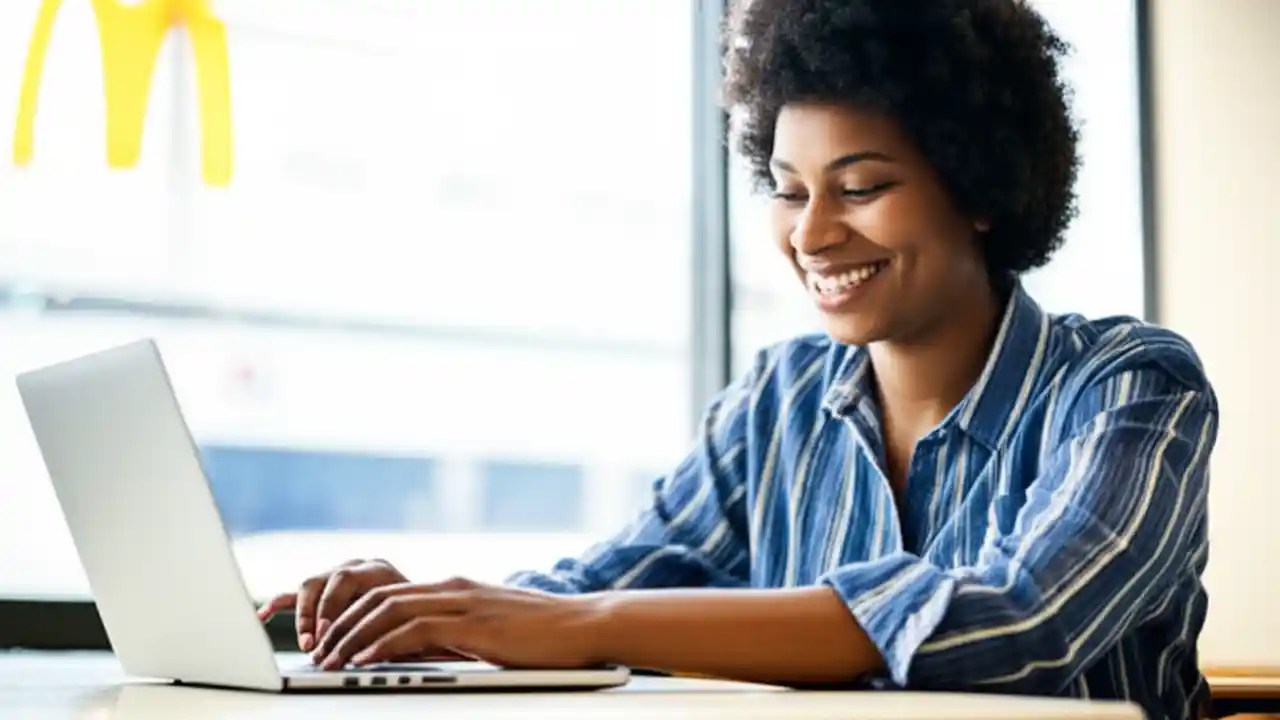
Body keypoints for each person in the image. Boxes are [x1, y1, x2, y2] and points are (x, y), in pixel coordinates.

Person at [257, 1, 1216, 718]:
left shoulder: (1129, 385)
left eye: (863, 187)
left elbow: (1020, 624)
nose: (814, 233)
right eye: (788, 190)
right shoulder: (779, 401)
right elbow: (608, 584)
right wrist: (423, 615)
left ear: (981, 186)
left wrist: (585, 628)